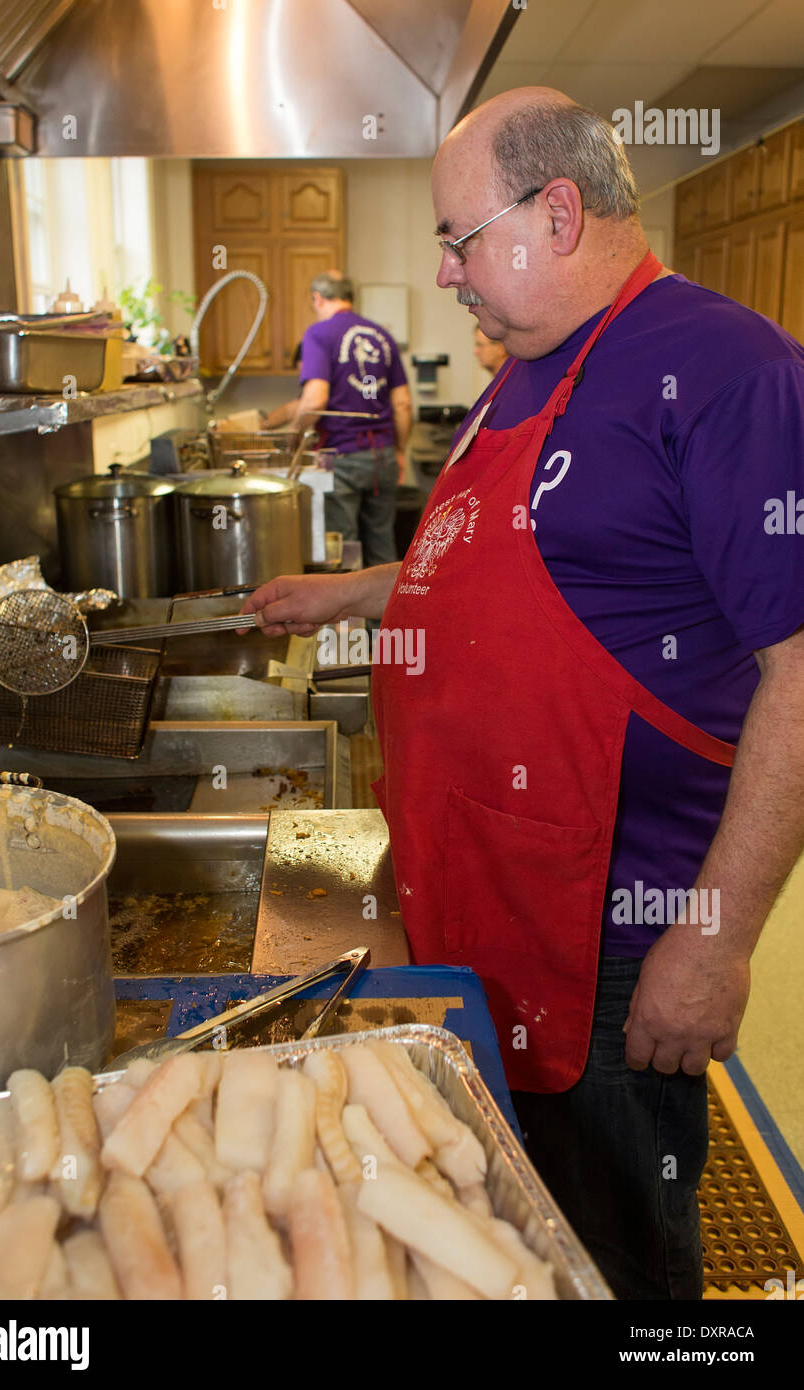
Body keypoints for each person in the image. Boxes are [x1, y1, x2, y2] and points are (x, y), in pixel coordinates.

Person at [241, 89, 804, 1301]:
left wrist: (711, 942)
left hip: (604, 921)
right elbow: (515, 551)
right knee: (505, 1229)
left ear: (556, 213)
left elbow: (798, 672)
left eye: (455, 238)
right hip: (475, 887)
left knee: (613, 1248)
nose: (443, 274)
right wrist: (349, 594)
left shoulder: (723, 369)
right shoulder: (524, 373)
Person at [263, 271, 413, 566]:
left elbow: (314, 399)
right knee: (381, 547)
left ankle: (350, 615)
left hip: (341, 457)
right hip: (381, 456)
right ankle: (388, 614)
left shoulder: (319, 334)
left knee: (345, 552)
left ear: (317, 298)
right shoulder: (383, 336)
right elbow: (403, 403)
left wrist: (293, 436)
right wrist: (398, 451)